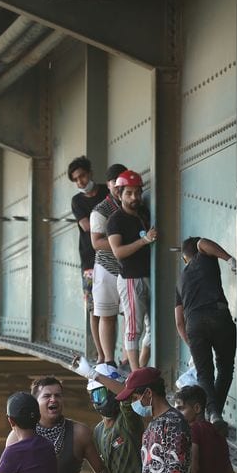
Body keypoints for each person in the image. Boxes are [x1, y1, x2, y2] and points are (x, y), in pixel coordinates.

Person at [175, 237, 237, 423]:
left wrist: (191, 346)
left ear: (184, 258)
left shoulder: (179, 281)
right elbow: (202, 242)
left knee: (204, 374)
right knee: (225, 368)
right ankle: (214, 412)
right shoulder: (203, 257)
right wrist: (229, 259)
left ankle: (213, 414)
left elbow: (179, 323)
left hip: (194, 324)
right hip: (219, 316)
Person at [105, 170, 156, 370]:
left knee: (153, 328)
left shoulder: (143, 214)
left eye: (137, 192)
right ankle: (135, 373)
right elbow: (118, 252)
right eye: (129, 193)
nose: (134, 197)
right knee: (134, 329)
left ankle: (141, 368)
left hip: (149, 277)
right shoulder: (115, 220)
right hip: (130, 279)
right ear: (119, 193)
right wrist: (144, 240)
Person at [68, 156, 110, 364]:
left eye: (82, 176)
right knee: (94, 308)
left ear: (90, 172)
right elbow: (87, 227)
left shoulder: (106, 191)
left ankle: (110, 354)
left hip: (112, 257)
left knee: (112, 308)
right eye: (76, 180)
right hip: (90, 262)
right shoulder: (77, 201)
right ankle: (101, 354)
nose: (80, 182)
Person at [88, 163, 129, 366]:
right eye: (114, 182)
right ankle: (110, 360)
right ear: (109, 184)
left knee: (128, 316)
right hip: (107, 269)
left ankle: (126, 360)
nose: (118, 185)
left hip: (129, 268)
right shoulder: (101, 209)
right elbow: (96, 243)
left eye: (122, 181)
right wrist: (124, 245)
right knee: (107, 315)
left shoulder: (132, 203)